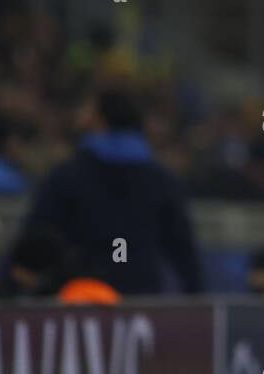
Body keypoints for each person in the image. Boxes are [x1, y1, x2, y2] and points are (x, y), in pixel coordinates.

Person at [22, 88, 204, 296]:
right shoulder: (161, 180)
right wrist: (198, 300)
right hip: (141, 303)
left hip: (80, 299)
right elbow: (184, 252)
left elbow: (35, 238)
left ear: (100, 120)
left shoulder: (66, 176)